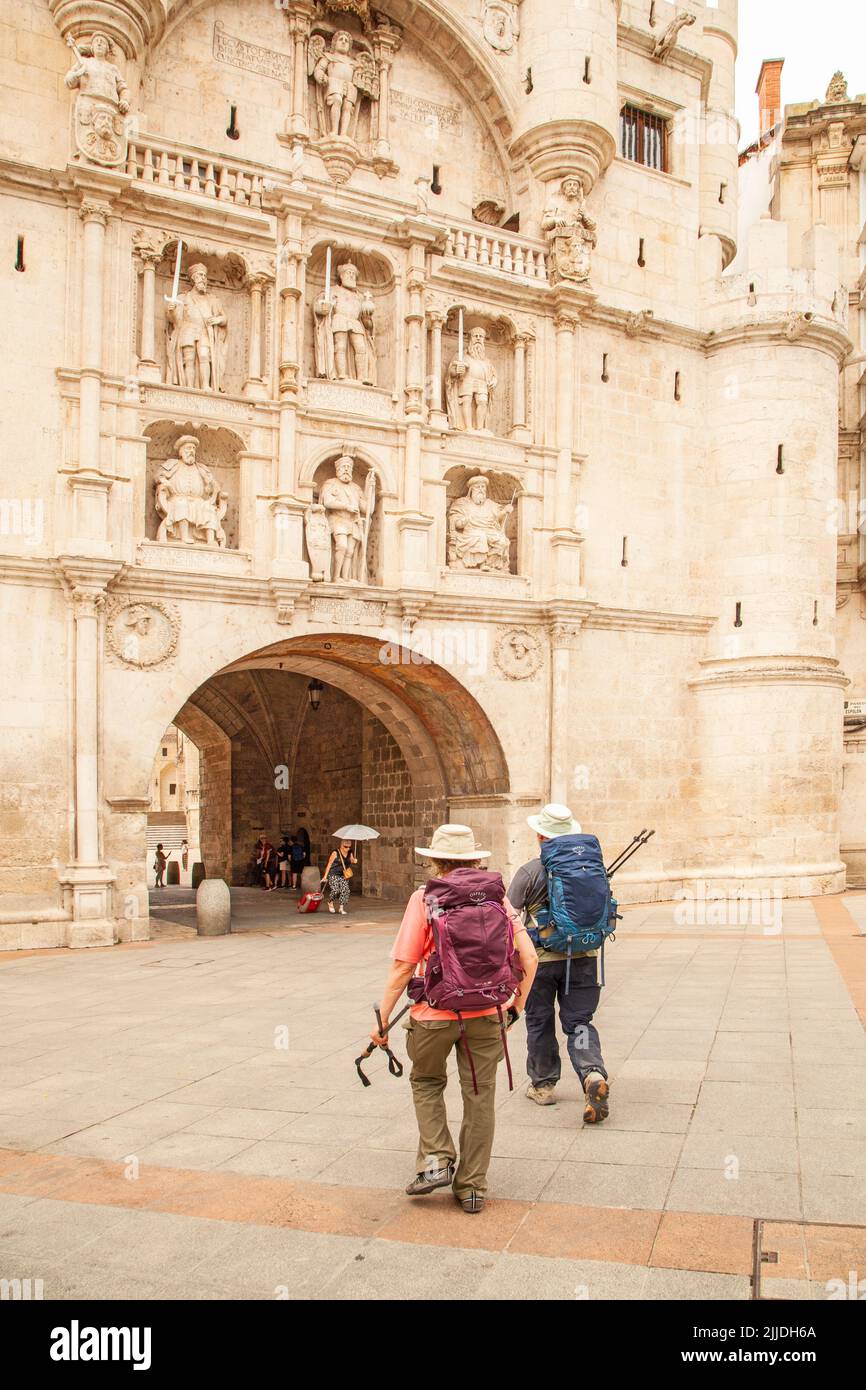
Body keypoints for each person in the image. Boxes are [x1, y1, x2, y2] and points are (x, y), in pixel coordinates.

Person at [371, 824, 537, 1214]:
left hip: (434, 1012)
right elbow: (528, 958)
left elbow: (402, 966)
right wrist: (517, 1006)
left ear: (434, 860)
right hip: (488, 1012)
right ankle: (473, 1187)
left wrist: (381, 1022)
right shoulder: (497, 898)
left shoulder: (424, 898)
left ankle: (437, 1160)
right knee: (480, 1097)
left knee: (427, 1082)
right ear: (475, 859)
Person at [507, 803, 610, 1123]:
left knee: (539, 1020)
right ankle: (592, 1073)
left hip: (541, 961)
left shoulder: (529, 870)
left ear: (540, 835)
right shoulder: (591, 867)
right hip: (584, 958)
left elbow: (507, 915)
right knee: (580, 1021)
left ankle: (544, 1085)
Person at [321, 839, 357, 915]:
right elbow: (329, 865)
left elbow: (351, 860)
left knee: (345, 890)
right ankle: (330, 902)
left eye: (349, 847)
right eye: (346, 847)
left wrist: (354, 860)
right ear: (341, 845)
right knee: (335, 889)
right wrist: (325, 877)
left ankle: (341, 908)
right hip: (333, 874)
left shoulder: (350, 852)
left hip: (344, 875)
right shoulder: (335, 853)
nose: (347, 848)